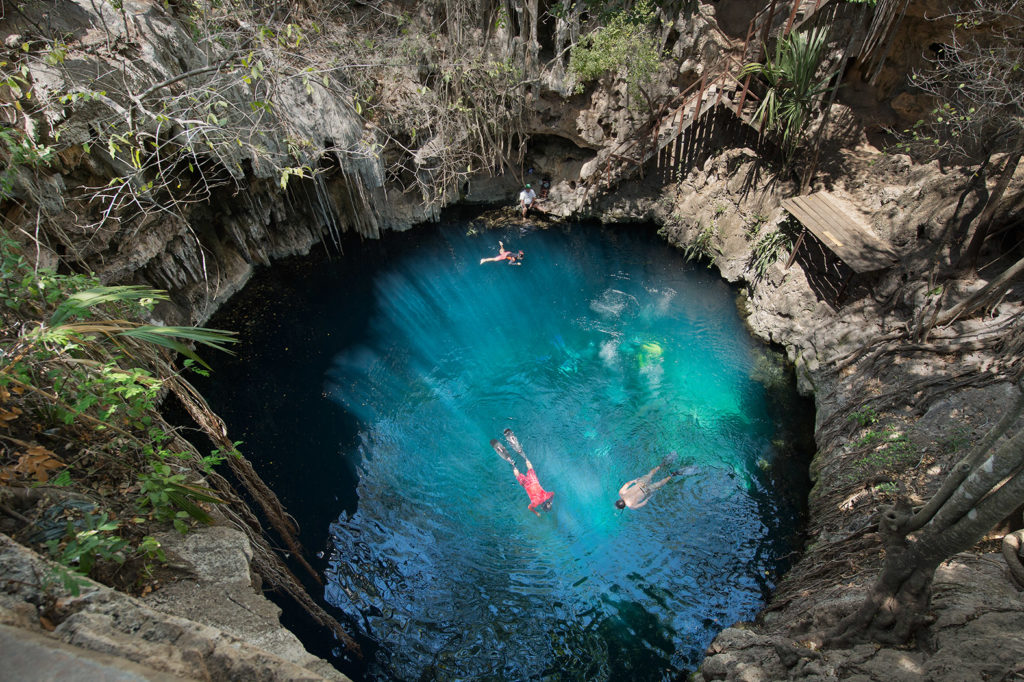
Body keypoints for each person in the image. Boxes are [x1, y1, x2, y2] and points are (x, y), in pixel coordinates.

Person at [492, 428, 554, 516]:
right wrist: (536, 513)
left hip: (533, 480)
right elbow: (529, 507)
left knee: (530, 468)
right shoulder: (535, 504)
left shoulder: (547, 495)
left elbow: (553, 494)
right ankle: (512, 463)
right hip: (526, 485)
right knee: (518, 475)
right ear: (542, 507)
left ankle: (524, 456)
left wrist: (550, 501)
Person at [615, 453, 689, 510]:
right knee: (650, 474)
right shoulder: (621, 493)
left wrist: (649, 497)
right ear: (619, 499)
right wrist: (634, 480)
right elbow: (627, 484)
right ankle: (662, 465)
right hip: (641, 483)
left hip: (646, 491)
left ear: (624, 507)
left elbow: (644, 503)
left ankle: (673, 474)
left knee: (660, 483)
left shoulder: (632, 506)